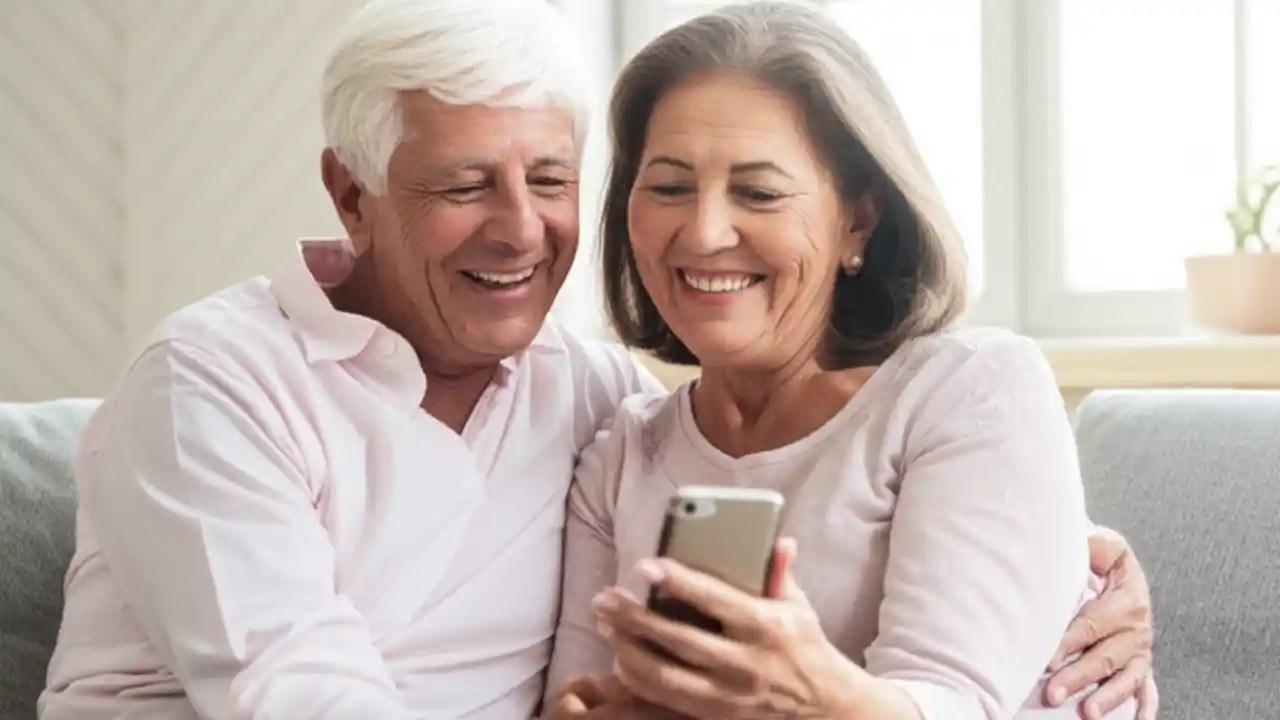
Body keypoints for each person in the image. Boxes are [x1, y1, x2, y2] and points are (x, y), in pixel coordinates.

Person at [39, 1, 1152, 718]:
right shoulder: (211, 383)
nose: (519, 231)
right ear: (351, 194)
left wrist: (1080, 559)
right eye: (465, 184)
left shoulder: (587, 399)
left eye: (551, 181)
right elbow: (294, 695)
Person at [545, 3, 1155, 719]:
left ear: (857, 220)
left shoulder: (968, 389)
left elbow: (955, 704)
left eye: (759, 192)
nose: (705, 232)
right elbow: (574, 703)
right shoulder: (619, 459)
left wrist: (805, 690)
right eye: (670, 186)